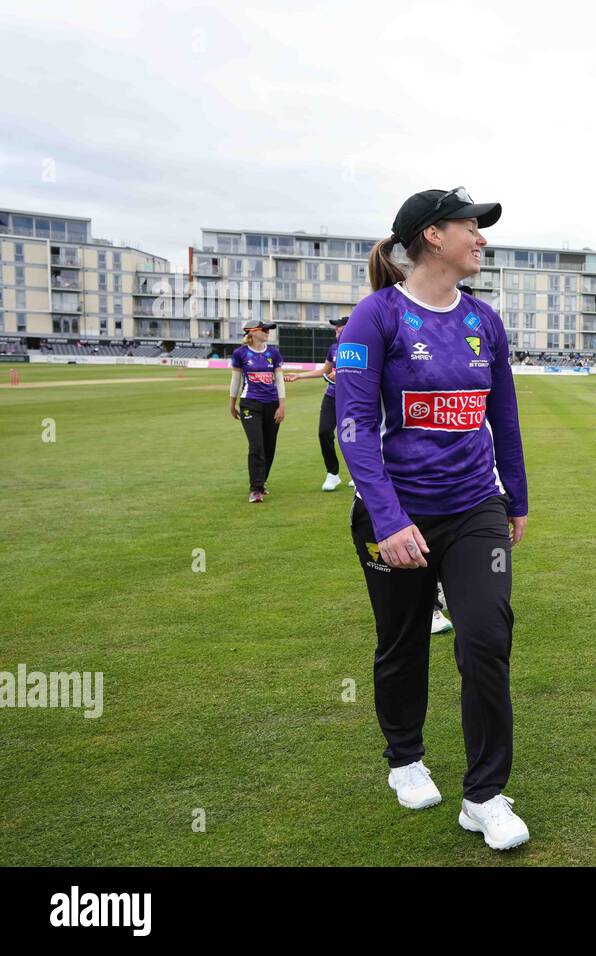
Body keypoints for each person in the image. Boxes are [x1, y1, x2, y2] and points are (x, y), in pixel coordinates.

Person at [335, 186, 530, 850]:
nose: (481, 238)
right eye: (470, 226)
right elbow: (355, 426)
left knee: (485, 636)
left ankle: (485, 796)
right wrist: (388, 522)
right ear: (431, 236)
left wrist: (518, 500)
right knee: (403, 641)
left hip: (476, 507)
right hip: (396, 513)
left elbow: (501, 416)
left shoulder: (485, 320)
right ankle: (405, 758)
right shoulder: (375, 317)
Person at [286, 315, 349, 491]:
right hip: (332, 395)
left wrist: (343, 374)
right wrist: (299, 376)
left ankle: (357, 476)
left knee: (351, 438)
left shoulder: (360, 347)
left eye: (340, 326)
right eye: (335, 326)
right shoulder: (334, 348)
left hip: (351, 398)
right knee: (324, 432)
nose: (336, 329)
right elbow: (325, 370)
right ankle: (332, 474)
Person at [227, 318, 285, 503]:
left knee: (269, 447)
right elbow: (236, 380)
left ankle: (263, 481)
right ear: (251, 332)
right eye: (264, 329)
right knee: (256, 445)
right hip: (250, 403)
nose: (267, 332)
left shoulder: (273, 353)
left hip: (272, 404)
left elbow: (279, 380)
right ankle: (256, 488)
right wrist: (232, 403)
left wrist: (282, 406)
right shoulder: (240, 353)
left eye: (269, 329)